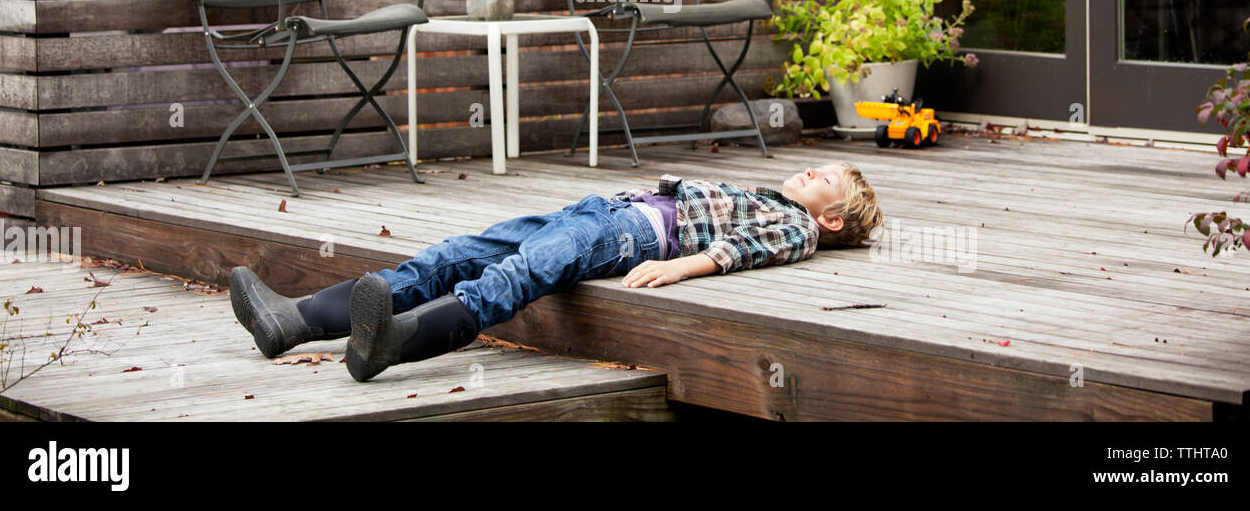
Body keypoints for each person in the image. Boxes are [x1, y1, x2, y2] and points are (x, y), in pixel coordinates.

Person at [229, 161, 883, 382]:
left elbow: (744, 250)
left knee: (517, 274)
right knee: (453, 254)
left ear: (829, 220)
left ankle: (397, 342)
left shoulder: (794, 227)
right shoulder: (781, 203)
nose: (810, 174)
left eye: (823, 181)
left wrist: (682, 269)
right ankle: (292, 320)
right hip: (598, 212)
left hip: (629, 234)